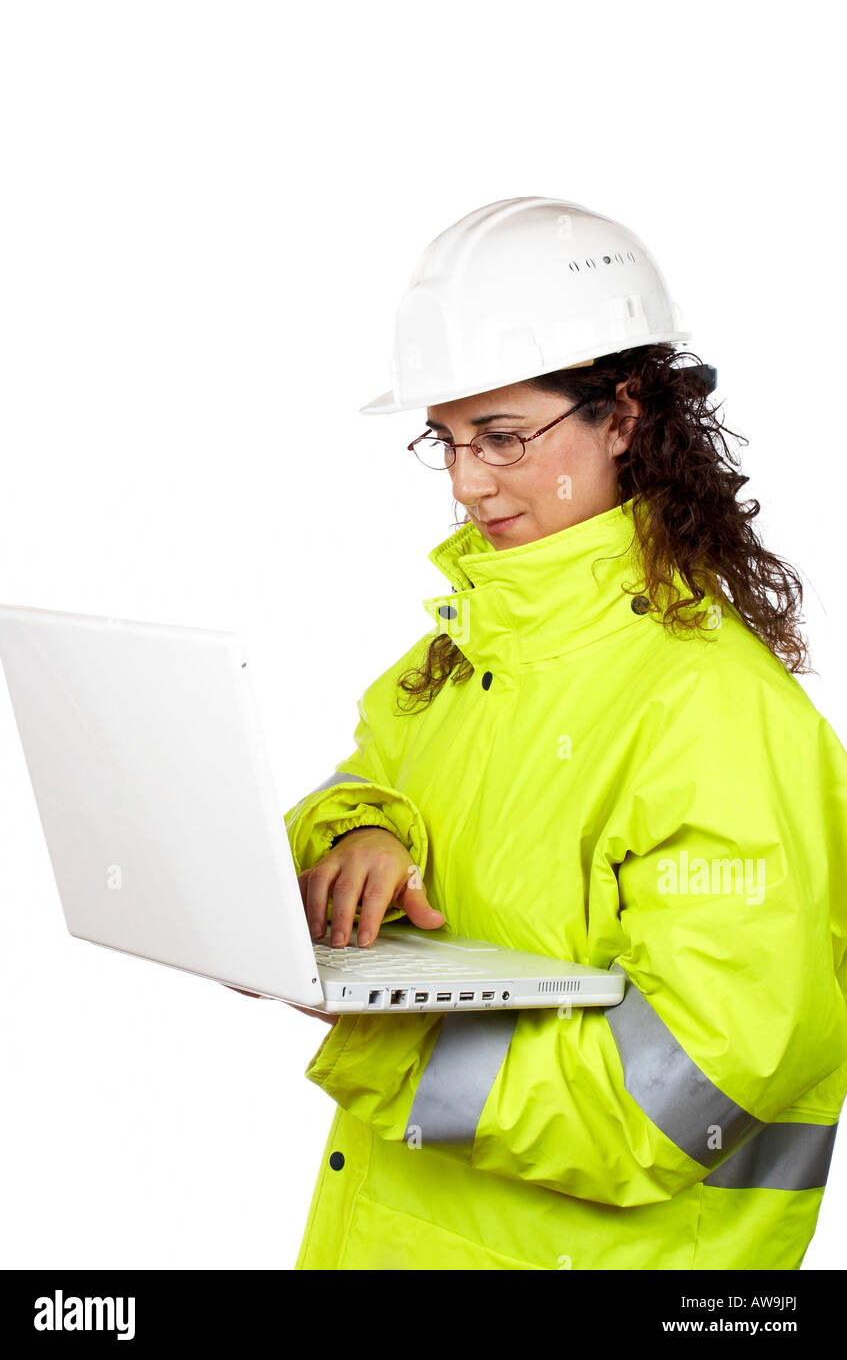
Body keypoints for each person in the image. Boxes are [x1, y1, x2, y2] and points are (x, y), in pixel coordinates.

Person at [273, 199, 847, 1269]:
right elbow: (357, 783)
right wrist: (363, 835)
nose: (464, 482)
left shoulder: (713, 712)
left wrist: (385, 1046)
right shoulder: (455, 657)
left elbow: (682, 1097)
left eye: (500, 437)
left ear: (622, 416)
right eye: (442, 439)